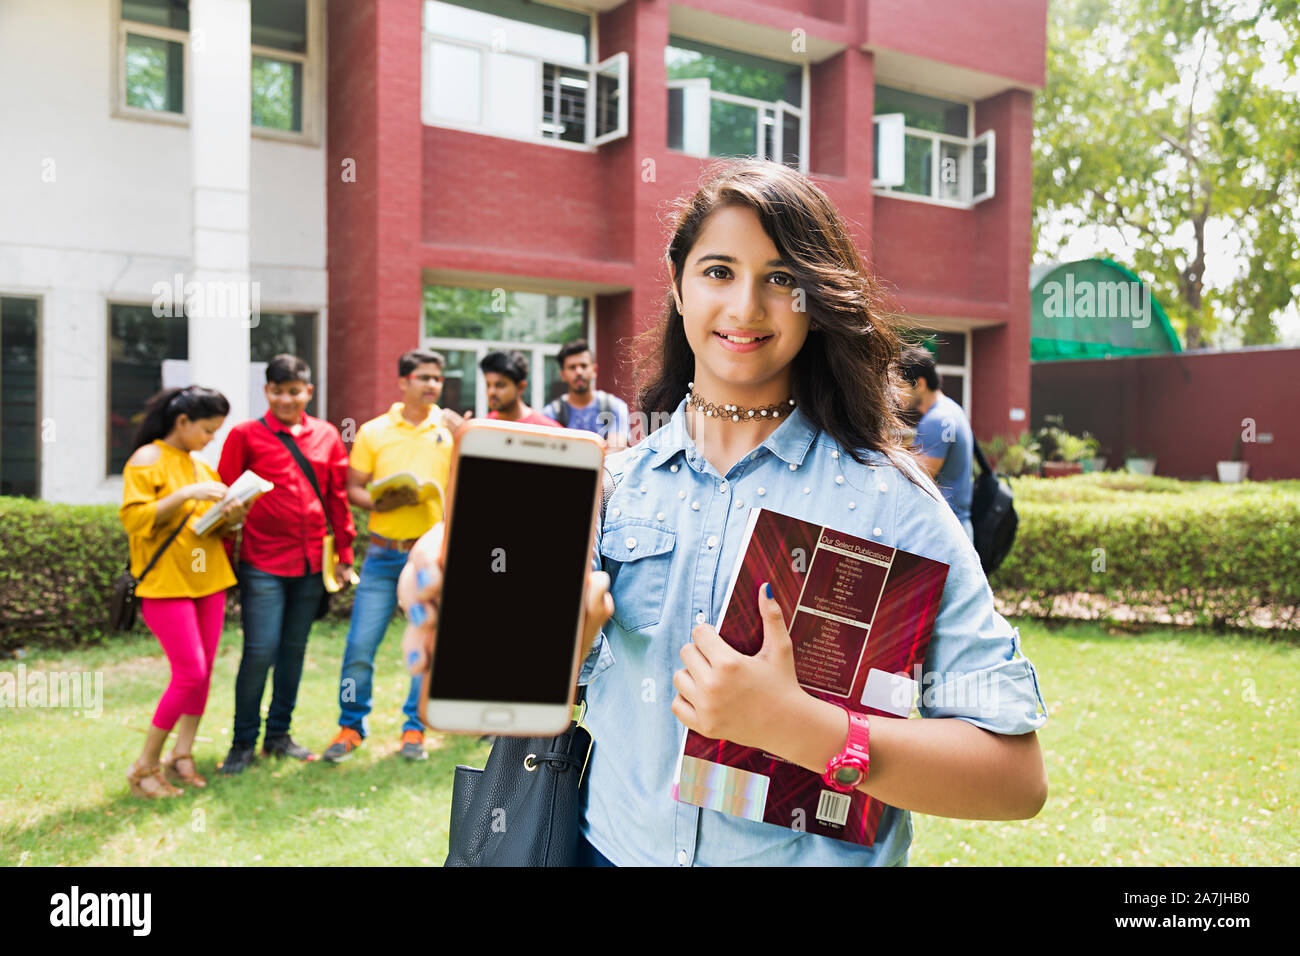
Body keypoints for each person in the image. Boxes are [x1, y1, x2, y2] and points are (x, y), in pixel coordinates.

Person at [397, 160, 1048, 866]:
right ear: (676, 284)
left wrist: (806, 729)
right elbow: (501, 683)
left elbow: (1014, 778)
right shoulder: (610, 490)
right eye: (717, 271)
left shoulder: (895, 507)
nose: (745, 307)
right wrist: (458, 590)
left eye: (781, 278)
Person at [217, 354, 356, 774]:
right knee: (259, 652)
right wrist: (223, 563)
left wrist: (345, 557)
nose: (285, 399)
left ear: (307, 392)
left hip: (312, 562)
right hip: (262, 562)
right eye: (277, 391)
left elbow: (337, 498)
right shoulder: (245, 435)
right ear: (266, 392)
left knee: (293, 652)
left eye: (293, 391)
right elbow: (224, 500)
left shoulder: (328, 435)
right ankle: (242, 743)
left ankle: (278, 735)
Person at [322, 350, 453, 763]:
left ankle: (414, 731)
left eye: (437, 378)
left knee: (426, 645)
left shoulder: (449, 433)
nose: (432, 384)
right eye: (423, 377)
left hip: (430, 559)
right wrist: (383, 503)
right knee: (360, 644)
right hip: (382, 557)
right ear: (403, 381)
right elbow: (354, 488)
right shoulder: (373, 431)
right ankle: (350, 727)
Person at [120, 386, 248, 798]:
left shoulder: (201, 466)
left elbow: (209, 527)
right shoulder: (147, 459)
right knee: (189, 672)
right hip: (166, 585)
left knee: (204, 673)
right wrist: (187, 494)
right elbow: (136, 521)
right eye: (208, 430)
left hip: (209, 581)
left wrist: (234, 516)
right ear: (182, 422)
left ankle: (183, 754)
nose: (212, 439)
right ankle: (144, 767)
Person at [898, 347, 975, 542]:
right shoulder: (952, 410)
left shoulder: (936, 420)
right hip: (958, 528)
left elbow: (917, 480)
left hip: (945, 533)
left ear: (920, 384)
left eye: (901, 386)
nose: (896, 395)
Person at [543, 340, 630, 449]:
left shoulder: (615, 407)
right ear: (563, 375)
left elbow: (617, 450)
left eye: (583, 366)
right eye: (572, 367)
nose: (578, 372)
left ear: (594, 370)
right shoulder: (551, 414)